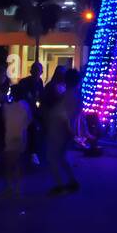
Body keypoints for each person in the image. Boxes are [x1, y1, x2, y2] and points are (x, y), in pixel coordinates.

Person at [45, 67, 81, 195]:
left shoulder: (68, 95)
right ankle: (72, 181)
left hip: (59, 130)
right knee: (62, 157)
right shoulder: (74, 95)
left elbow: (63, 115)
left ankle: (60, 185)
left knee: (51, 157)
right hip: (64, 130)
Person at [3, 82, 32, 199]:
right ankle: (18, 189)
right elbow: (29, 119)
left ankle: (9, 187)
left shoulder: (6, 107)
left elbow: (4, 119)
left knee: (9, 164)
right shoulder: (25, 105)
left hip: (10, 136)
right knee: (18, 162)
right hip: (22, 136)